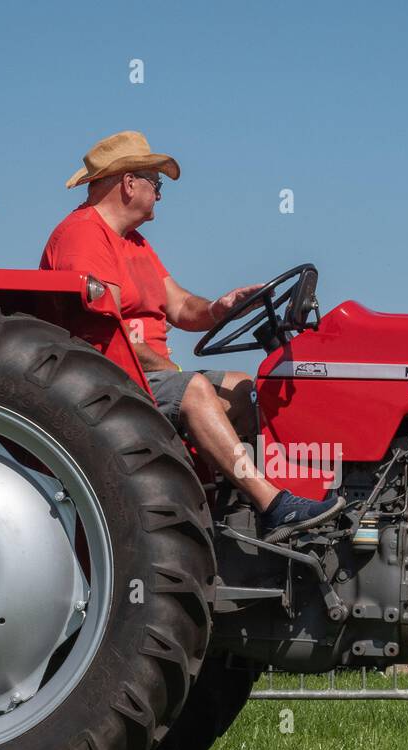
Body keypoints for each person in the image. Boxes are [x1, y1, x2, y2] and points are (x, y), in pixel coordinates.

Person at [40, 130, 344, 543]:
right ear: (130, 183)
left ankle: (235, 509)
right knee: (196, 390)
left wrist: (222, 306)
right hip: (108, 383)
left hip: (149, 378)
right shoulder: (83, 236)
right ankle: (274, 506)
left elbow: (181, 306)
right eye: (156, 184)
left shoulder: (135, 244)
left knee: (246, 387)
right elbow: (104, 335)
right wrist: (173, 369)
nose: (160, 196)